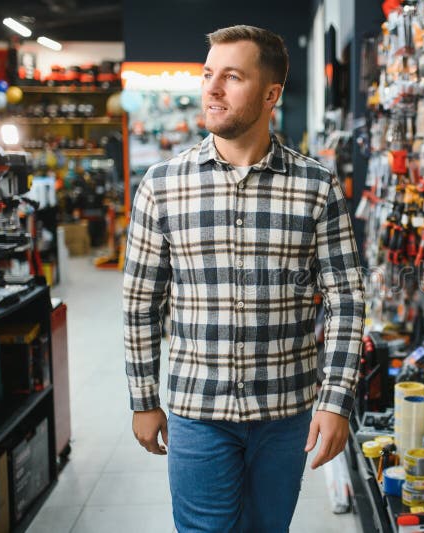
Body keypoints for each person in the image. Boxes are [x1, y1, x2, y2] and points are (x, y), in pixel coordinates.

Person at [123, 25, 365, 532]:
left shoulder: (316, 187)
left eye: (232, 77)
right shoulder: (162, 186)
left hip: (286, 411)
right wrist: (144, 400)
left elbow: (346, 300)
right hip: (198, 411)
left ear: (271, 94)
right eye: (209, 74)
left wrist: (337, 400)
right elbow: (141, 302)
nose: (211, 89)